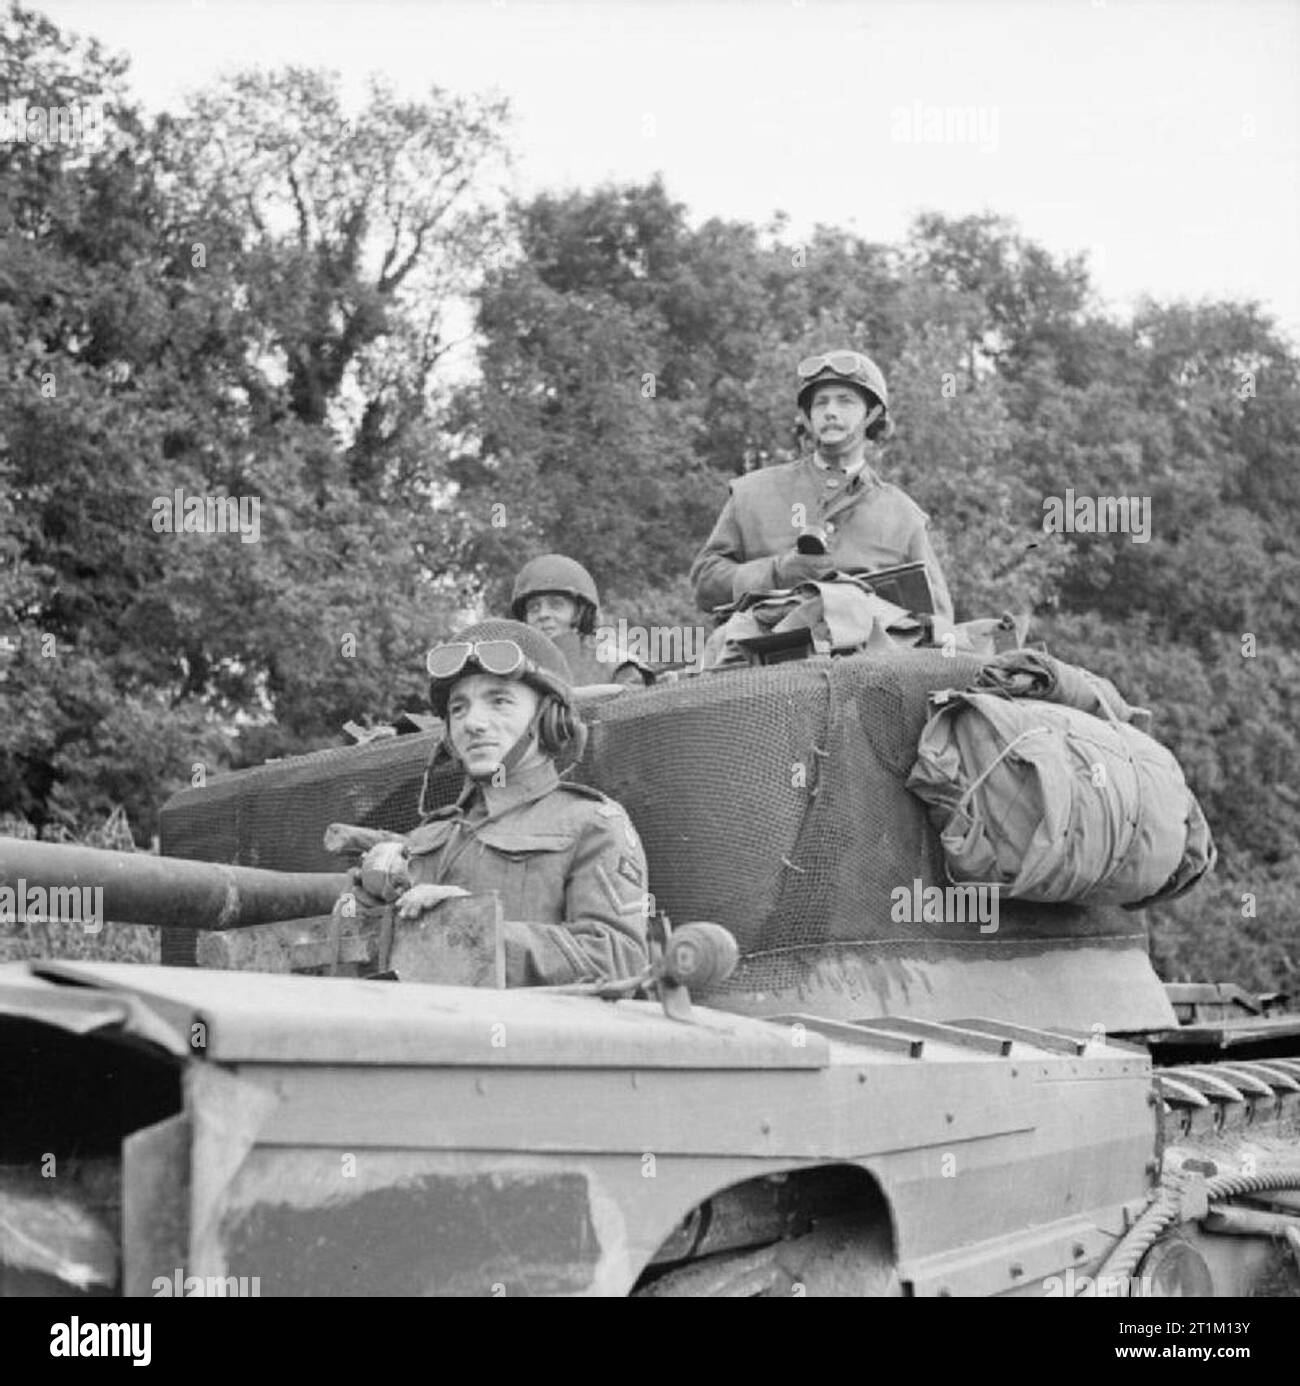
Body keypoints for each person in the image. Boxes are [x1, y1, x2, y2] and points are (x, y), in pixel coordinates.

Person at [357, 620, 650, 987]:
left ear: (550, 719)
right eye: (459, 709)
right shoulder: (430, 836)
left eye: (499, 702)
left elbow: (618, 956)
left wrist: (479, 929)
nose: (473, 723)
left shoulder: (592, 824)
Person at [688, 351, 954, 624]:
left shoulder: (903, 516)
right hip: (763, 657)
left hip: (869, 663)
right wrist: (777, 573)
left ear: (872, 414)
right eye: (821, 403)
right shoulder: (753, 494)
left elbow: (939, 623)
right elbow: (705, 585)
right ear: (806, 416)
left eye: (845, 401)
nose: (830, 412)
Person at [510, 553, 652, 687]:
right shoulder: (512, 665)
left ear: (579, 612)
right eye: (534, 608)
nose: (543, 614)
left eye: (556, 605)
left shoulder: (616, 666)